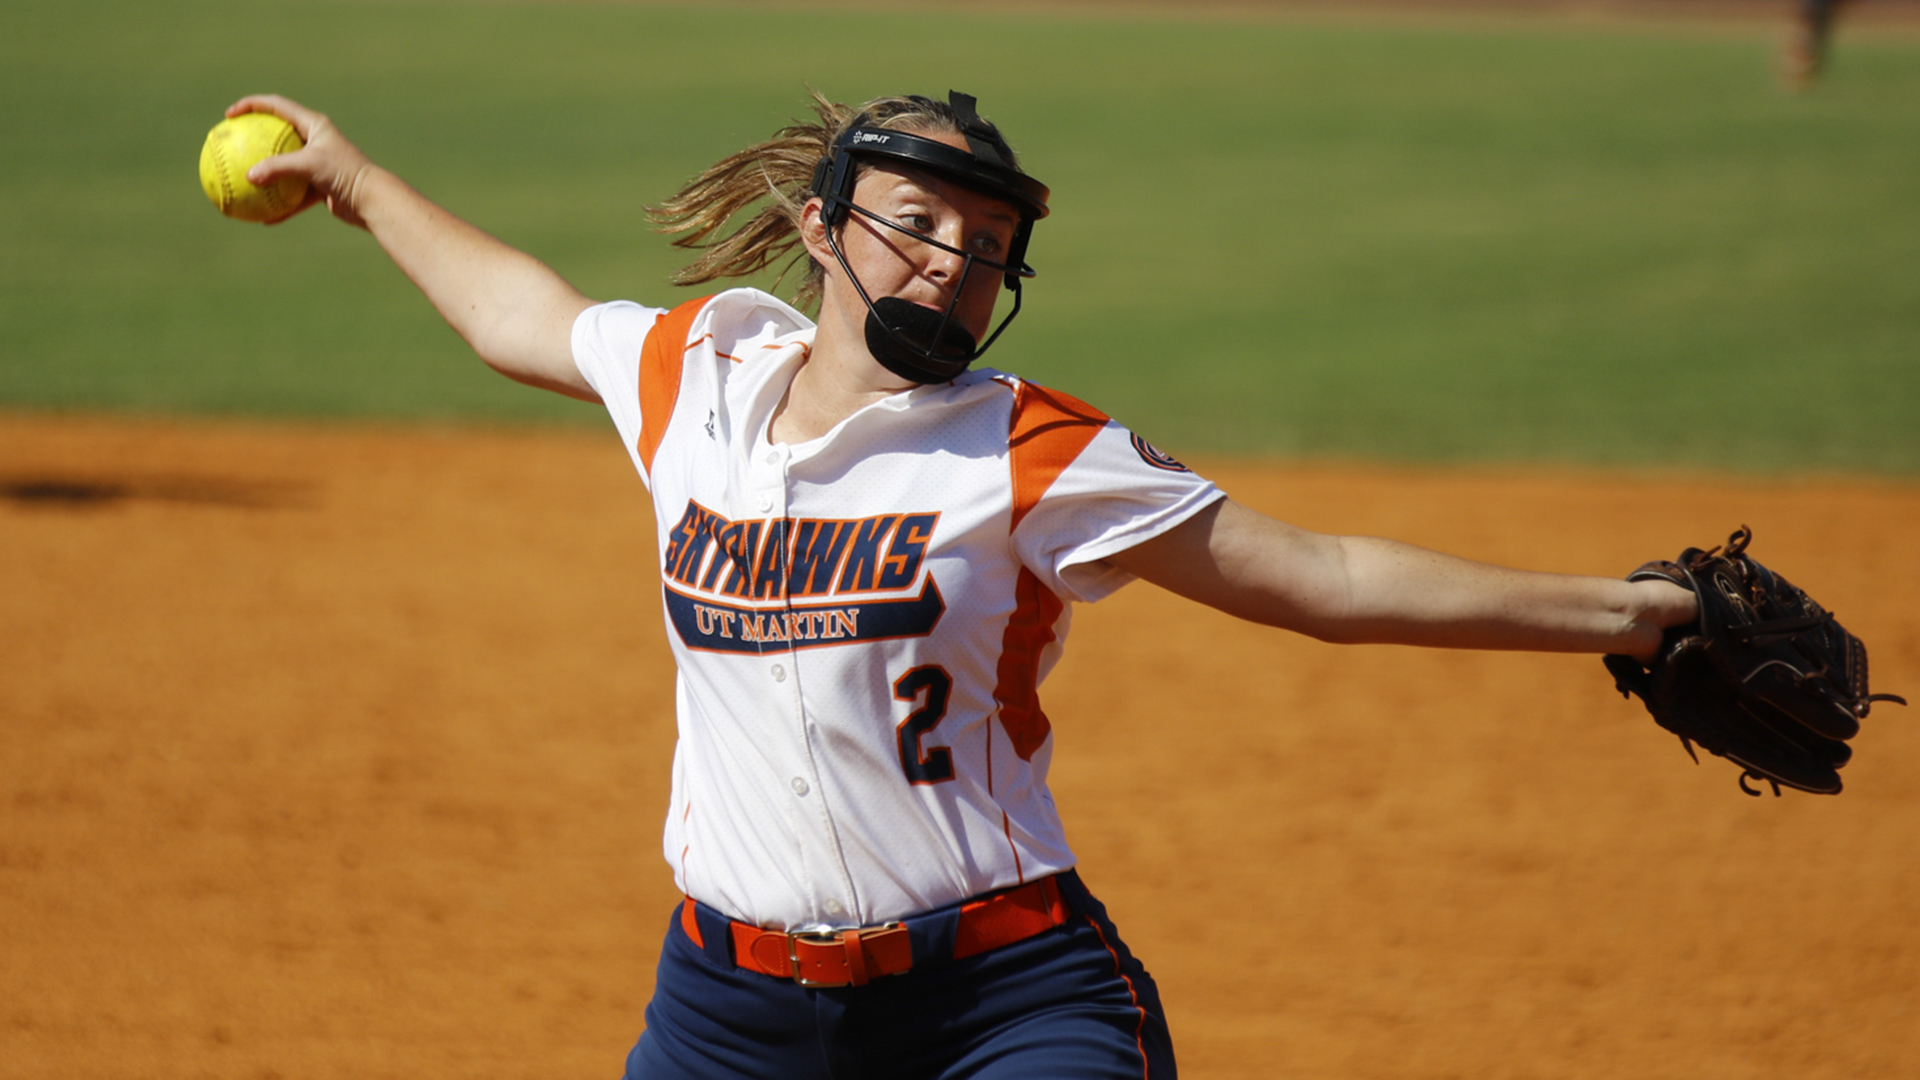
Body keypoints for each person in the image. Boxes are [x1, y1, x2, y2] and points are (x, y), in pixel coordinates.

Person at [231, 88, 1697, 1079]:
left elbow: (1314, 575)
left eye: (986, 246)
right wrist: (354, 180)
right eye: (916, 225)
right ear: (822, 230)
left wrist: (1626, 616)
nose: (954, 261)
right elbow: (525, 320)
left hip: (1001, 1005)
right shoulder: (695, 376)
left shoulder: (1029, 449)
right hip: (727, 1013)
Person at [1784, 0, 1852, 89]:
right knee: (1809, 35)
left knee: (1811, 35)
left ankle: (1802, 67)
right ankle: (1800, 67)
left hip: (1817, 14)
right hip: (1815, 15)